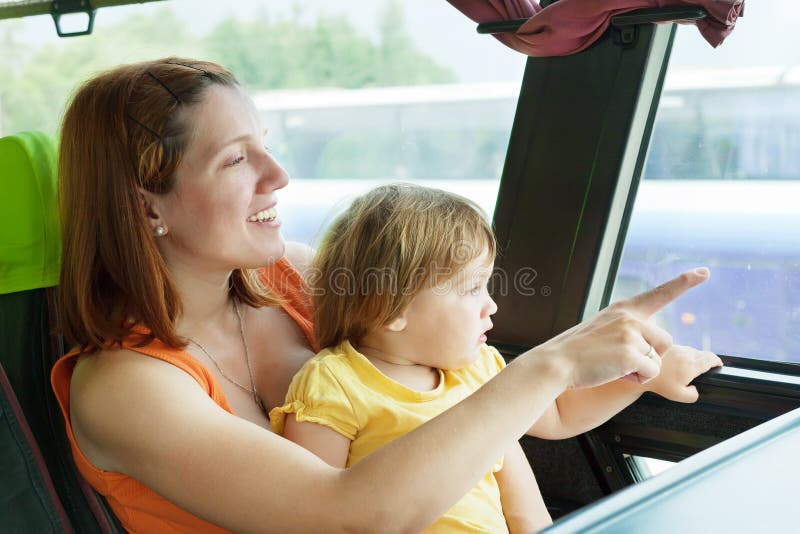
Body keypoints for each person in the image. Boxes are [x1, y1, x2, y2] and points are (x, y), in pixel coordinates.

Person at [51, 57, 722, 534]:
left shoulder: (299, 279)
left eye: (269, 147)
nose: (278, 176)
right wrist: (554, 364)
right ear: (145, 208)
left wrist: (625, 356)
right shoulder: (122, 388)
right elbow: (346, 516)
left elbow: (455, 365)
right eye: (235, 159)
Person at [269, 184, 723, 533]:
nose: (492, 305)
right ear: (391, 308)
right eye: (471, 289)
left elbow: (559, 415)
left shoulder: (477, 369)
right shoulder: (332, 383)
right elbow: (315, 513)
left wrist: (646, 377)